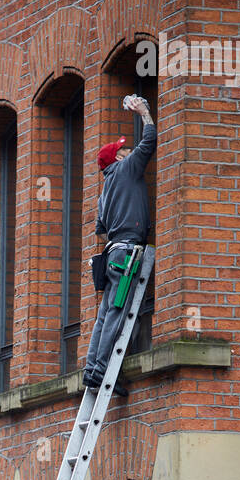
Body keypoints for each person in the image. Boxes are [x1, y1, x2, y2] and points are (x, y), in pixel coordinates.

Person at [83, 95, 157, 396]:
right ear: (117, 158)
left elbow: (101, 228)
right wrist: (145, 113)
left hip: (114, 251)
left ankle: (92, 368)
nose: (129, 150)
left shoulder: (105, 190)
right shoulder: (125, 169)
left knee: (104, 314)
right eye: (125, 148)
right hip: (126, 255)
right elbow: (149, 142)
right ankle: (101, 372)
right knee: (116, 310)